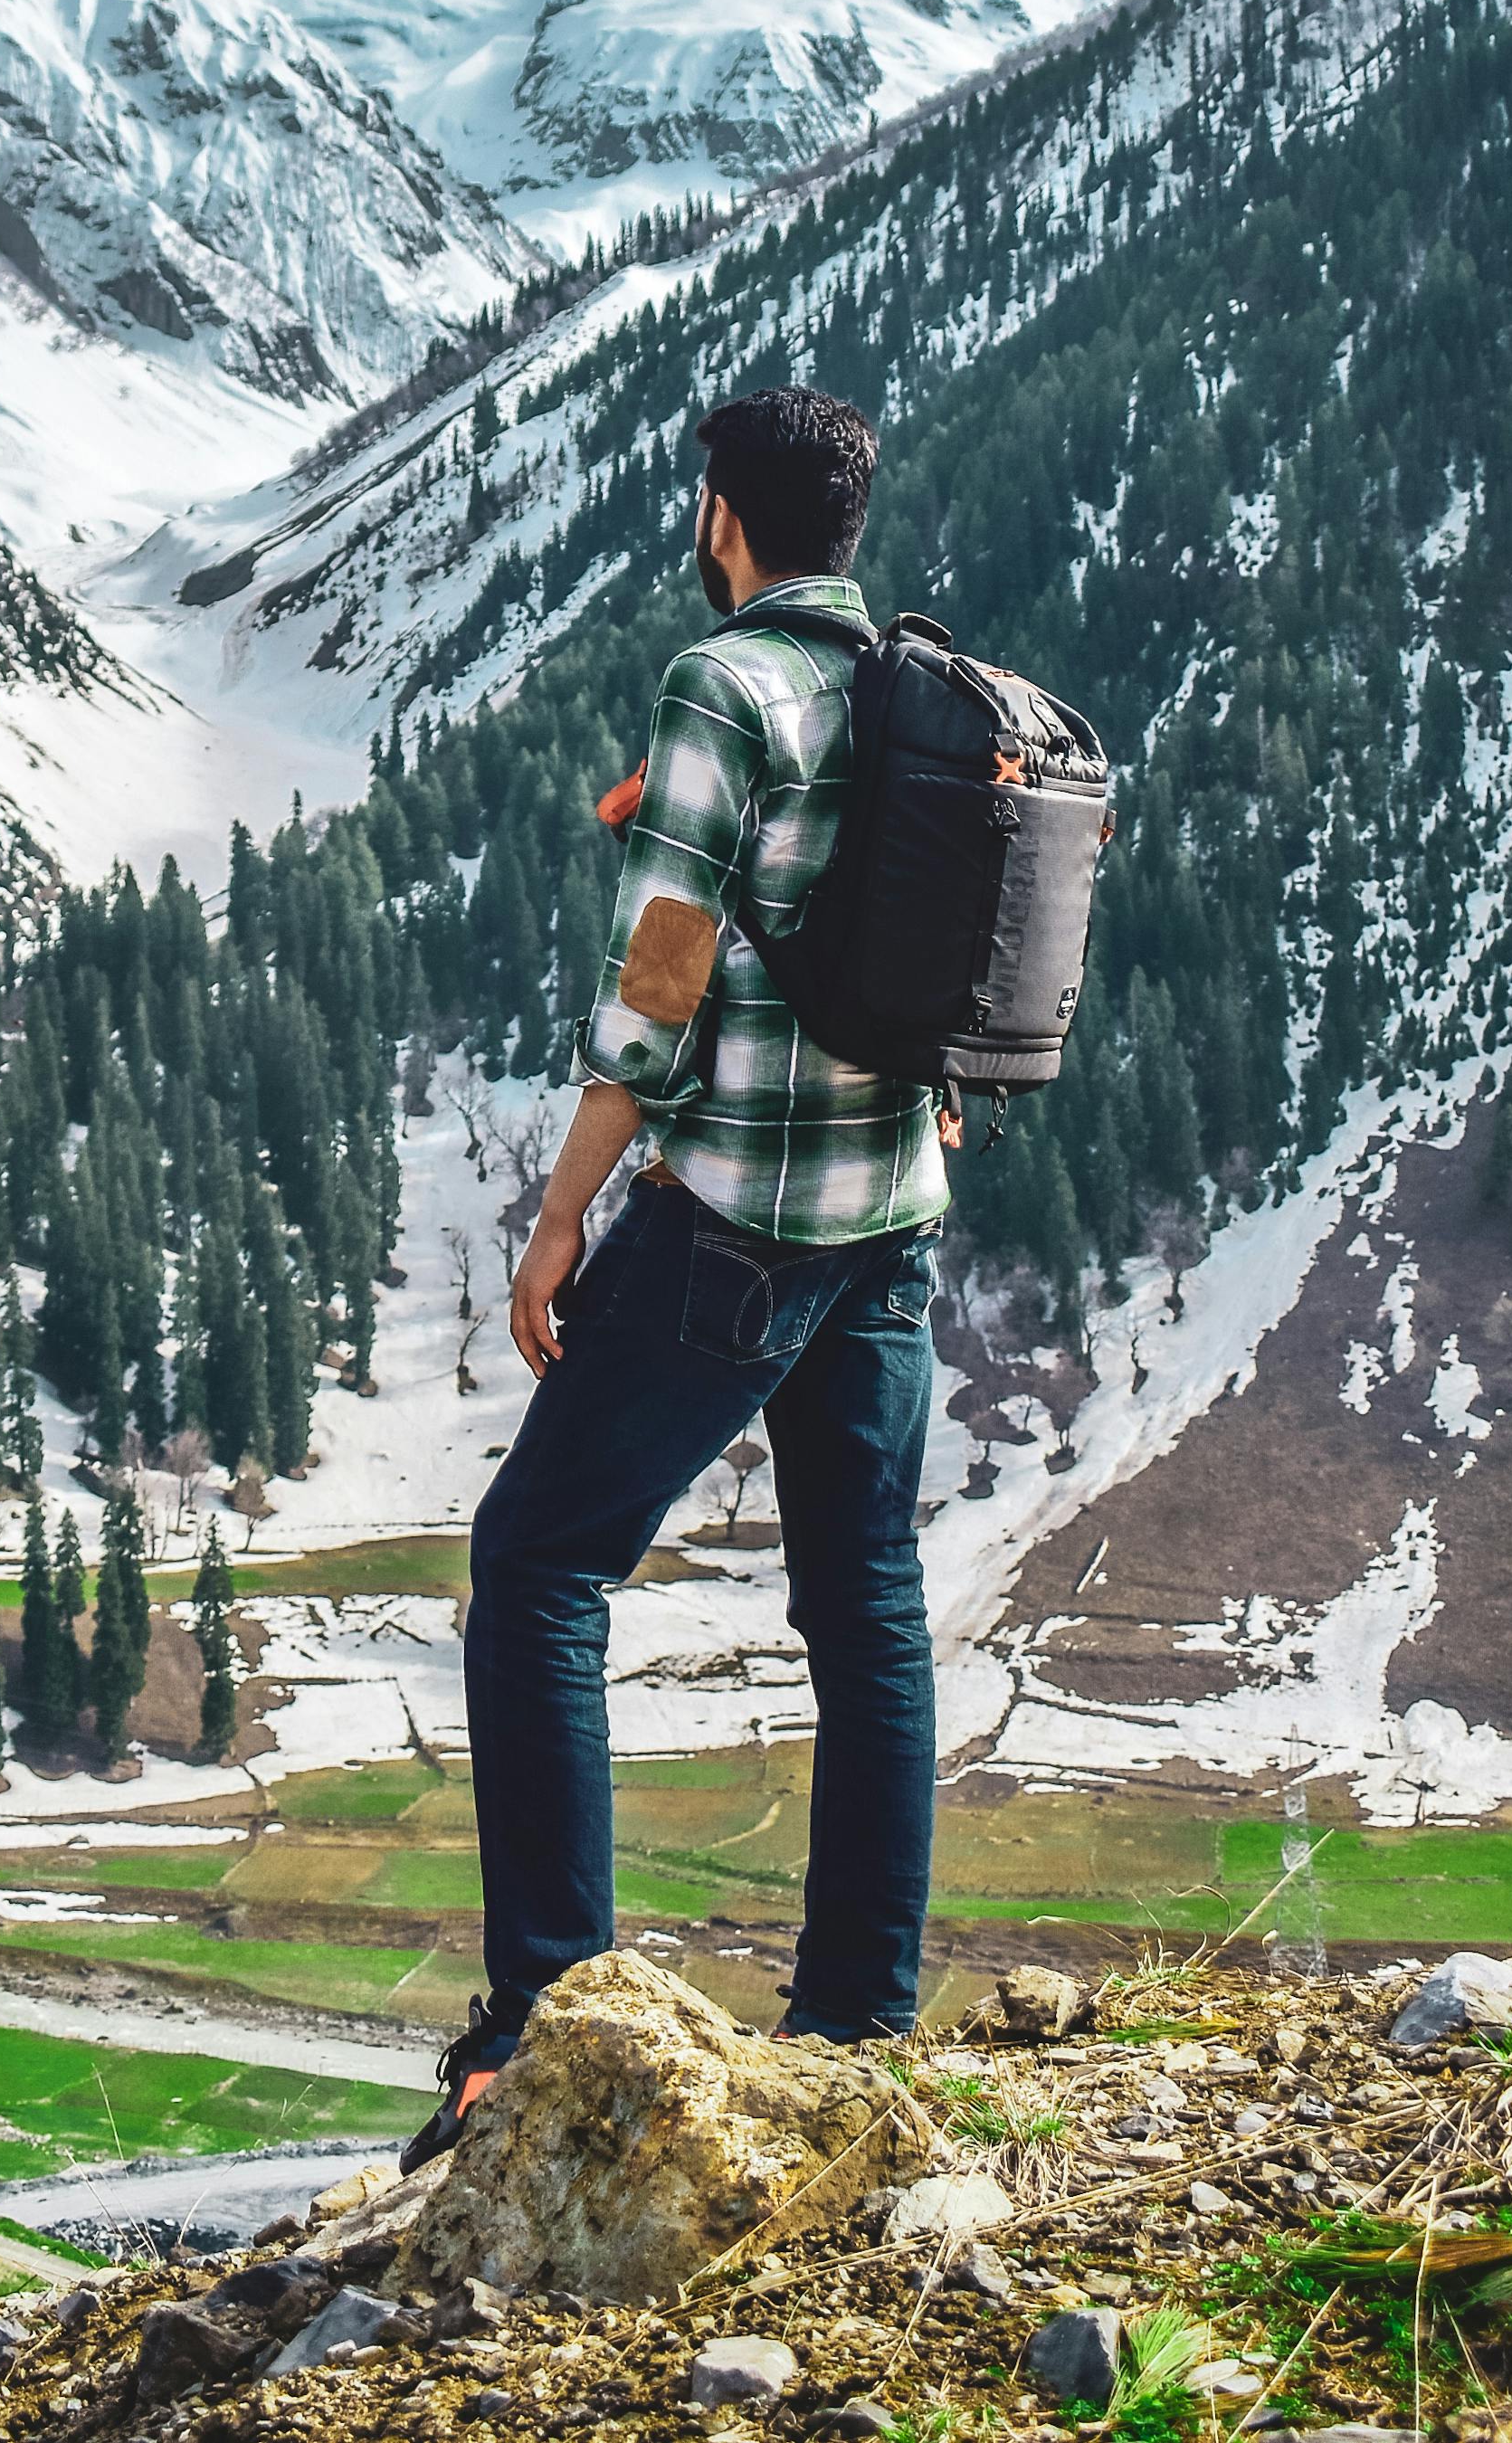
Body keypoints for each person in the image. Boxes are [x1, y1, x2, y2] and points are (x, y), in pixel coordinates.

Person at [407, 384, 953, 2167]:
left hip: (734, 1222)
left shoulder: (724, 685)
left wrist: (561, 1208)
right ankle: (861, 2022)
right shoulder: (916, 691)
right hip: (889, 1220)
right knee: (863, 1605)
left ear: (723, 516)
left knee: (538, 1558)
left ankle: (543, 2022)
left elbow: (659, 980)